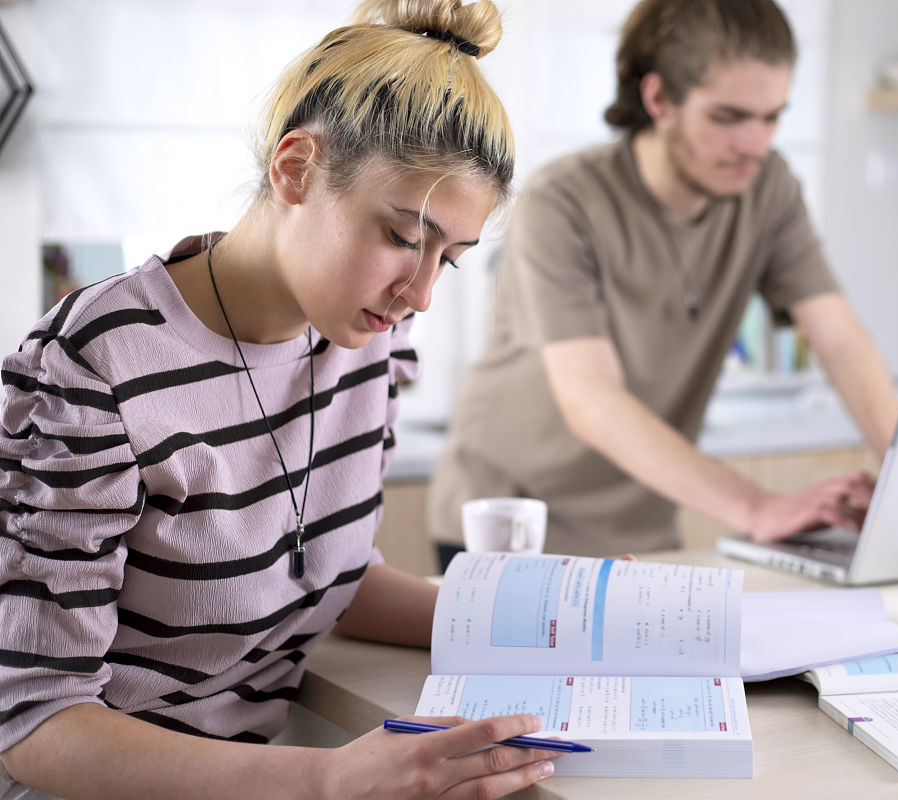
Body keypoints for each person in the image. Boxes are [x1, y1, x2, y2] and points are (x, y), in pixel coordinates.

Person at [0, 2, 561, 797]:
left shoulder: (368, 342)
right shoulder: (95, 366)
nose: (422, 293)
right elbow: (34, 721)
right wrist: (330, 781)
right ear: (295, 167)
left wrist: (548, 624)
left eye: (452, 259)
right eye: (404, 237)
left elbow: (324, 575)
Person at [429, 0, 898, 563]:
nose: (754, 144)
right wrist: (756, 508)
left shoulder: (768, 189)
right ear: (658, 100)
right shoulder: (563, 200)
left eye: (771, 117)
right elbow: (592, 399)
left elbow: (842, 342)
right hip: (509, 524)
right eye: (729, 118)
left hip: (639, 535)